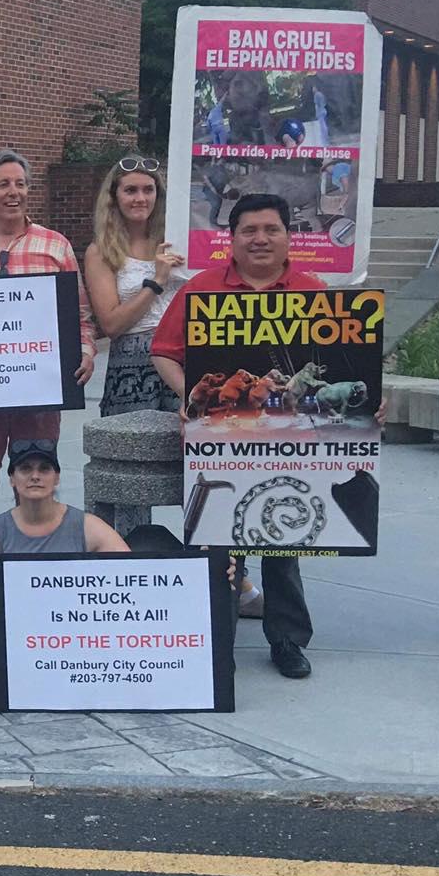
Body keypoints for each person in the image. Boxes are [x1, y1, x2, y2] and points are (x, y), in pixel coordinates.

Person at [151, 193, 320, 679]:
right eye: (249, 230)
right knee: (216, 539)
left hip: (288, 437)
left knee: (285, 541)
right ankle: (211, 638)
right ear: (232, 238)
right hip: (217, 437)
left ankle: (288, 639)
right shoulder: (201, 289)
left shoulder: (312, 290)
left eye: (271, 229)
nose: (260, 239)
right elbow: (163, 352)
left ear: (289, 236)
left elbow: (348, 361)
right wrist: (191, 397)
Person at [0, 149, 96, 594]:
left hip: (40, 385)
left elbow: (80, 315)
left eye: (21, 184)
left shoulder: (55, 245)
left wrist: (85, 352)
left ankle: (34, 579)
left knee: (34, 480)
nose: (14, 192)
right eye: (3, 184)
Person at [0, 439, 234, 672]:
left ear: (56, 478)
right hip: (31, 632)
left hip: (78, 632)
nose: (35, 476)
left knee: (151, 537)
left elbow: (143, 577)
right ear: (11, 479)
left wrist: (206, 572)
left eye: (44, 469)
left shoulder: (86, 525)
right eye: (25, 469)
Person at [80, 157, 186, 535]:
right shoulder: (101, 250)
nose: (140, 197)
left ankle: (214, 569)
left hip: (182, 358)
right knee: (129, 472)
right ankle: (127, 554)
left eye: (148, 189)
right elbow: (110, 323)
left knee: (196, 461)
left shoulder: (180, 239)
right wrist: (156, 282)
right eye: (130, 189)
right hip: (130, 361)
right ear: (115, 197)